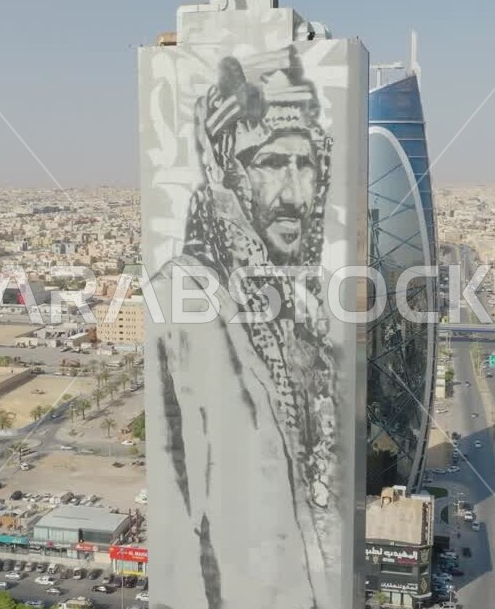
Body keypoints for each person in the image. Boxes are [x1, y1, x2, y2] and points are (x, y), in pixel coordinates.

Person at [146, 45, 343, 609]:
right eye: (272, 164)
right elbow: (172, 493)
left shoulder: (302, 303)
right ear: (228, 172)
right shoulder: (185, 297)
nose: (295, 196)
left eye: (305, 165)